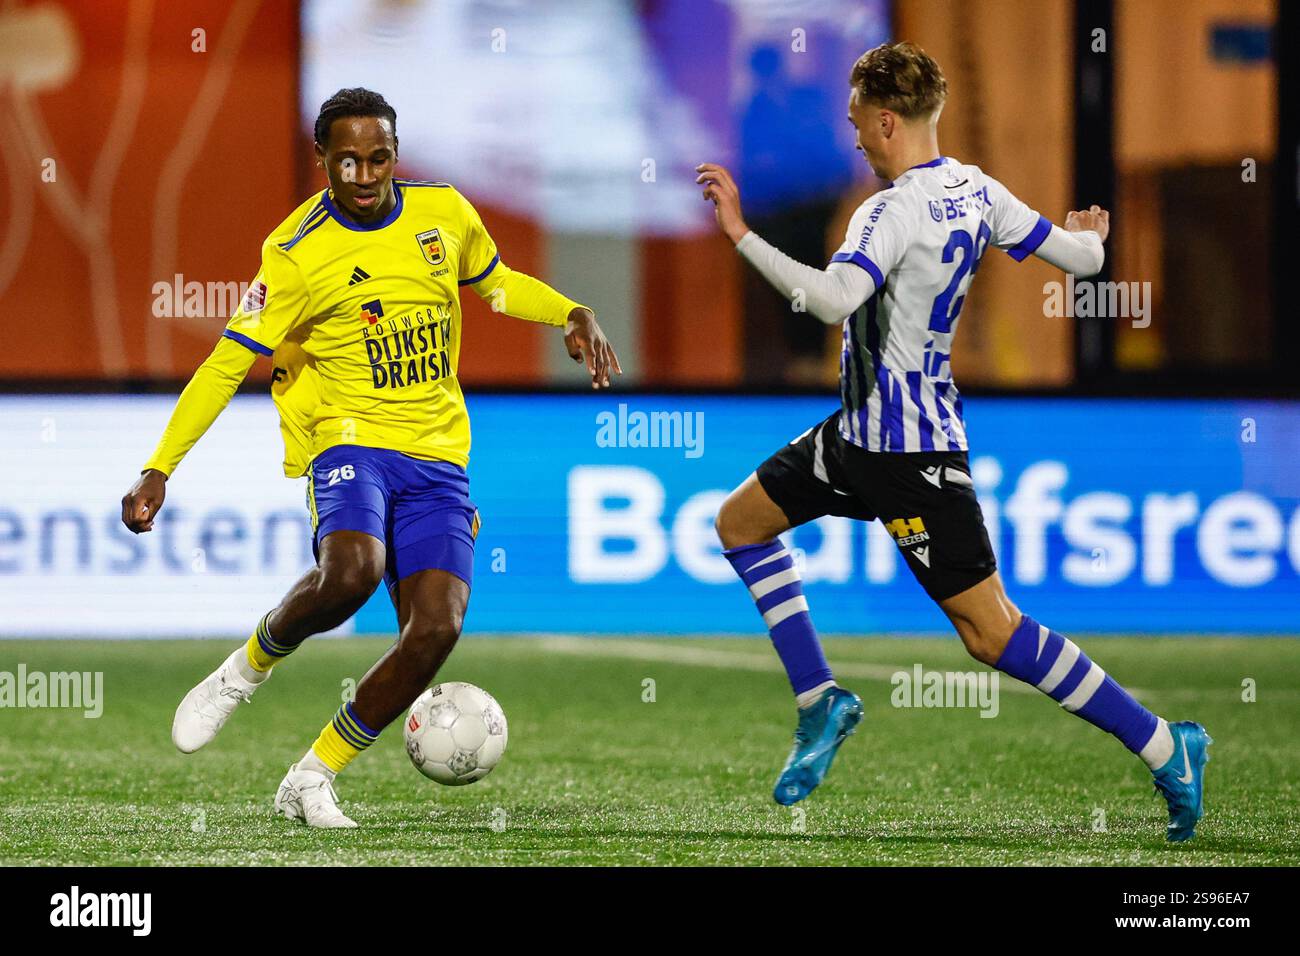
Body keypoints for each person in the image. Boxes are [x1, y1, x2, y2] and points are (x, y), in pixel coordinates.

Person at [696, 42, 1209, 840]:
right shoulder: (976, 189)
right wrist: (1094, 240)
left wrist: (739, 234)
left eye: (860, 123)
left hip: (909, 459)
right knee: (739, 522)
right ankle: (820, 700)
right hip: (857, 435)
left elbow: (831, 301)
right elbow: (1081, 260)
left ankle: (1164, 743)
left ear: (889, 120)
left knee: (992, 631)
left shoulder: (888, 209)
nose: (856, 138)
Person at [121, 88, 621, 828]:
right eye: (345, 160)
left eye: (377, 157)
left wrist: (570, 312)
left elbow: (497, 283)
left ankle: (313, 774)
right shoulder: (294, 253)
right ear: (320, 159)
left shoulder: (444, 214)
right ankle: (244, 670)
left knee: (437, 630)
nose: (362, 174)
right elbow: (227, 362)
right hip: (347, 437)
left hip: (438, 454)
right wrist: (160, 466)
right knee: (353, 572)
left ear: (395, 154)